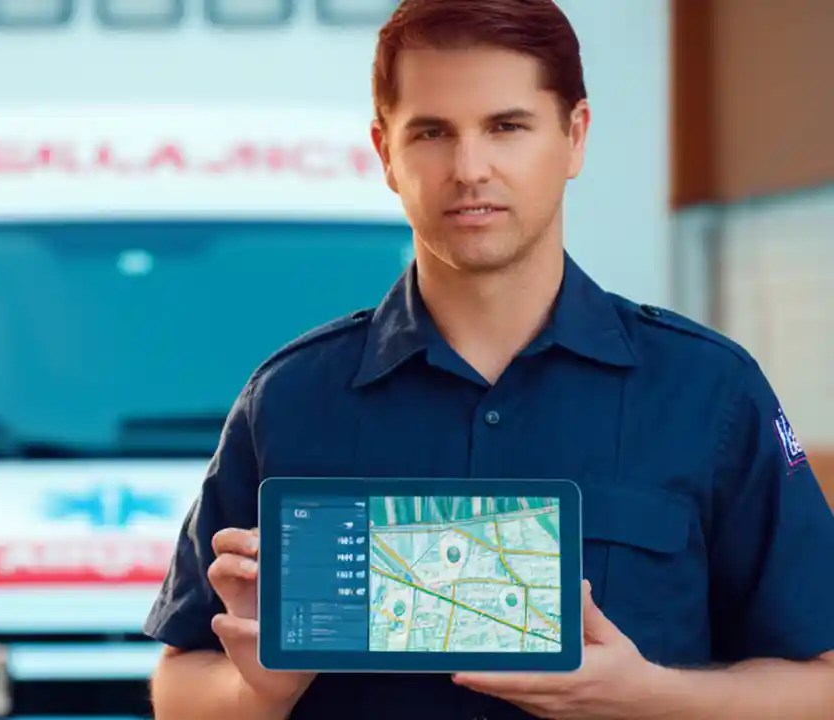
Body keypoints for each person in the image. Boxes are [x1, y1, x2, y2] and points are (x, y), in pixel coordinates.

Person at [142, 0, 834, 718]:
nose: (470, 169)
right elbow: (180, 683)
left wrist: (650, 699)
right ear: (386, 153)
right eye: (433, 133)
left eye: (506, 127)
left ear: (575, 136)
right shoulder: (288, 401)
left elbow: (822, 683)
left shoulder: (708, 394)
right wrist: (262, 688)